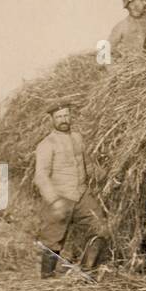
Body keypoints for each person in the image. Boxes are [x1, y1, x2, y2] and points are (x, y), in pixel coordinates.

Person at [33, 101, 109, 277]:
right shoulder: (46, 144)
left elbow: (86, 164)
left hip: (81, 194)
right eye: (59, 117)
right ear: (52, 119)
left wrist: (103, 175)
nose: (63, 119)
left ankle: (89, 272)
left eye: (66, 115)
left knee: (99, 227)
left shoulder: (78, 138)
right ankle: (47, 278)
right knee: (52, 239)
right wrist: (54, 201)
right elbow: (41, 176)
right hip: (60, 196)